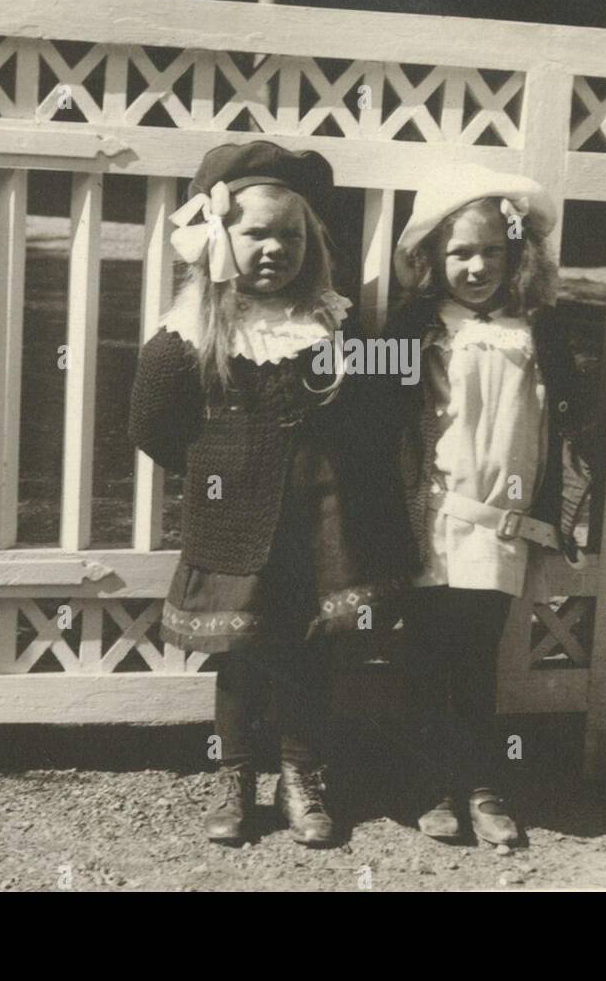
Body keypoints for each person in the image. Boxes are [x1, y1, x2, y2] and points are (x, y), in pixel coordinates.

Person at [128, 141, 409, 847]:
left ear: (310, 244)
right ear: (219, 237)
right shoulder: (188, 336)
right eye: (256, 232)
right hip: (235, 525)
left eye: (289, 234)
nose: (274, 248)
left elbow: (366, 419)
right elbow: (155, 428)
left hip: (319, 525)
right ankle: (234, 777)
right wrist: (220, 471)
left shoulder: (331, 326)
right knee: (243, 657)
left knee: (312, 651)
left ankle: (301, 775)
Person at [385, 165, 594, 846]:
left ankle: (481, 784)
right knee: (423, 651)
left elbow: (569, 414)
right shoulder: (416, 327)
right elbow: (380, 417)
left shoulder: (538, 330)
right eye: (459, 253)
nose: (475, 266)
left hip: (500, 522)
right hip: (430, 517)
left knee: (478, 655)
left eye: (491, 252)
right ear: (431, 259)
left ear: (517, 256)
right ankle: (428, 782)